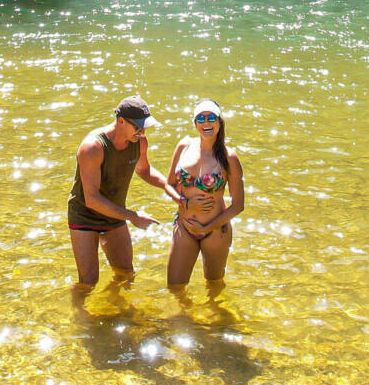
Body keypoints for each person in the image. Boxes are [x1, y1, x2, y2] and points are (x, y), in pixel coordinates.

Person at [67, 96, 184, 287]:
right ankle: (81, 316)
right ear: (121, 121)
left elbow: (144, 170)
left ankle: (114, 310)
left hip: (114, 213)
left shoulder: (139, 141)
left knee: (126, 274)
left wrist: (169, 188)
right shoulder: (92, 147)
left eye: (145, 127)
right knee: (88, 282)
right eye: (138, 127)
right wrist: (133, 217)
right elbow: (92, 199)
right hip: (84, 216)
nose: (142, 132)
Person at [165, 98, 244, 287]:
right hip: (184, 227)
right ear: (195, 123)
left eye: (211, 118)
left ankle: (212, 315)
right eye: (201, 118)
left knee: (214, 286)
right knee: (175, 288)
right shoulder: (184, 146)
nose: (206, 123)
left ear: (219, 122)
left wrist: (207, 228)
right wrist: (184, 202)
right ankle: (186, 318)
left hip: (216, 231)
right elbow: (169, 184)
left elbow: (238, 205)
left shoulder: (228, 157)